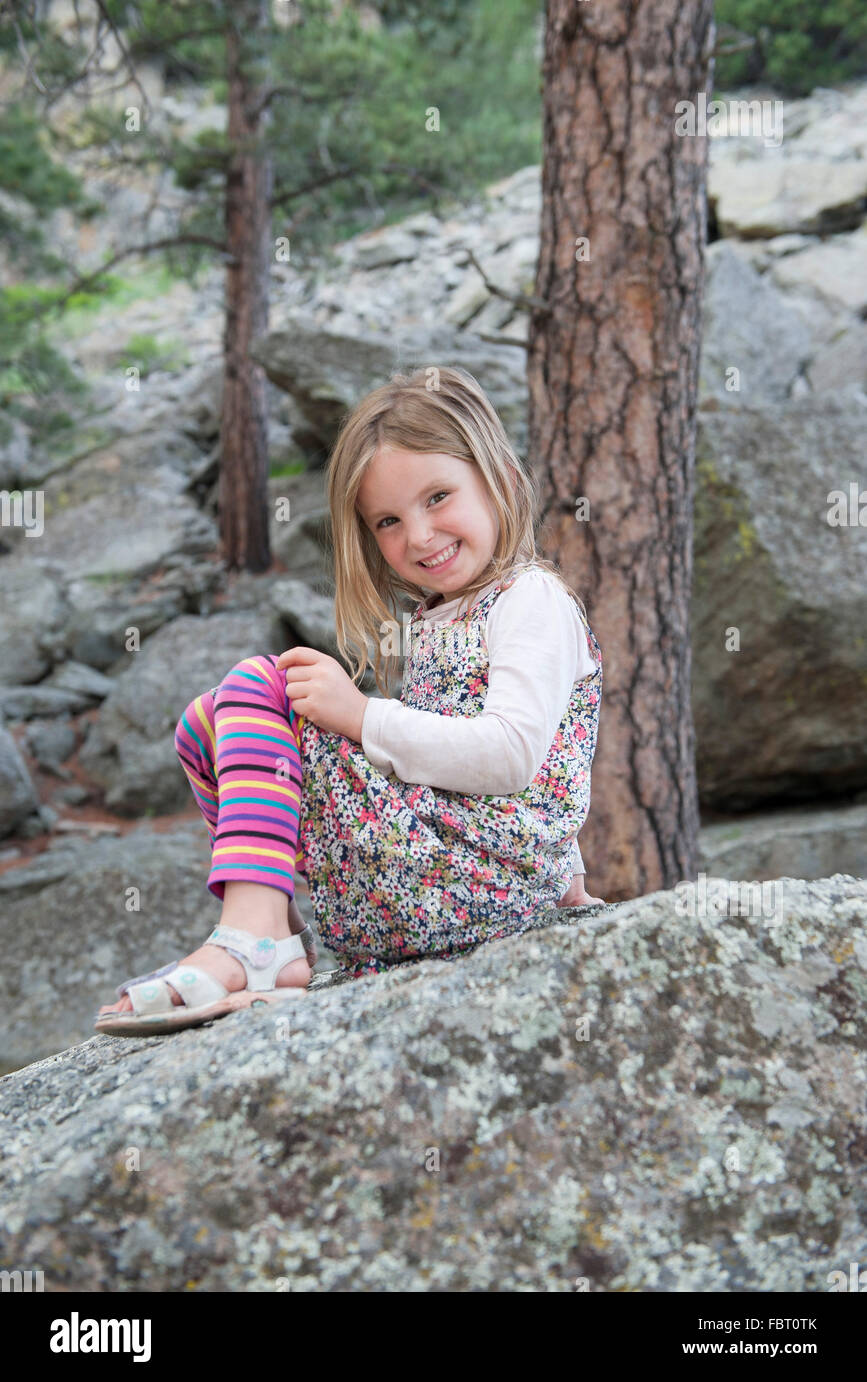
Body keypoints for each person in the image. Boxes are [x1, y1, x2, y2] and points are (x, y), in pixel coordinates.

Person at [95, 366, 603, 1036]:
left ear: (500, 479)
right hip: (438, 884)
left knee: (256, 686)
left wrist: (360, 717)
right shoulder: (441, 616)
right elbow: (541, 770)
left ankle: (251, 944)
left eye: (438, 496)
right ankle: (273, 930)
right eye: (388, 520)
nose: (418, 536)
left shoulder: (530, 599)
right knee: (203, 725)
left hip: (470, 884)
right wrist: (566, 874)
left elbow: (514, 755)